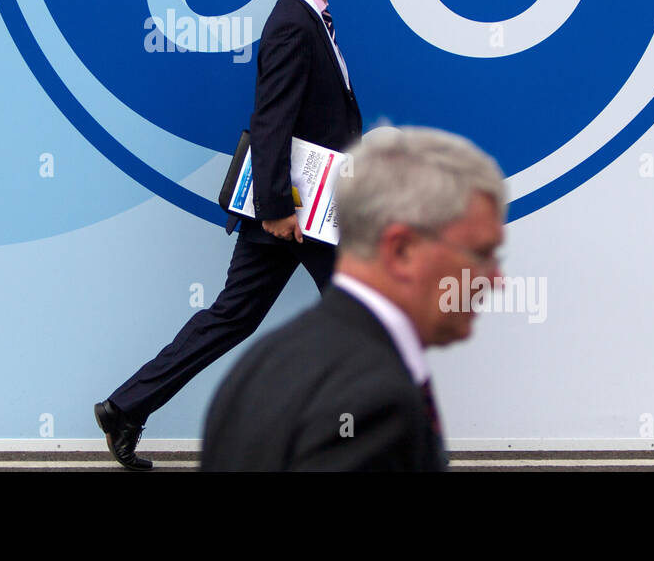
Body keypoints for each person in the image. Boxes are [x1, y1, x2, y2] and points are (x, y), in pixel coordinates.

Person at [94, 0, 361, 470]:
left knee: (233, 316)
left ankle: (125, 407)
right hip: (295, 212)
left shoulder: (309, 20)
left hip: (305, 209)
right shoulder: (293, 23)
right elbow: (271, 122)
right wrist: (278, 209)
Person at [200, 127, 506, 471]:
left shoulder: (257, 366)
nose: (498, 281)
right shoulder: (376, 404)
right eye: (480, 254)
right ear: (401, 249)